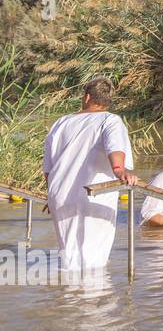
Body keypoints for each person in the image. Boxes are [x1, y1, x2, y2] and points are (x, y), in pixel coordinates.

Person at [42, 77, 138, 275]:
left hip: (60, 196)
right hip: (94, 195)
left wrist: (51, 195)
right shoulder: (110, 120)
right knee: (93, 258)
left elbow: (48, 168)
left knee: (69, 256)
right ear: (108, 101)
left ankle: (68, 298)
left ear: (86, 97)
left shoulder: (61, 122)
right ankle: (89, 300)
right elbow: (115, 147)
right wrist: (119, 169)